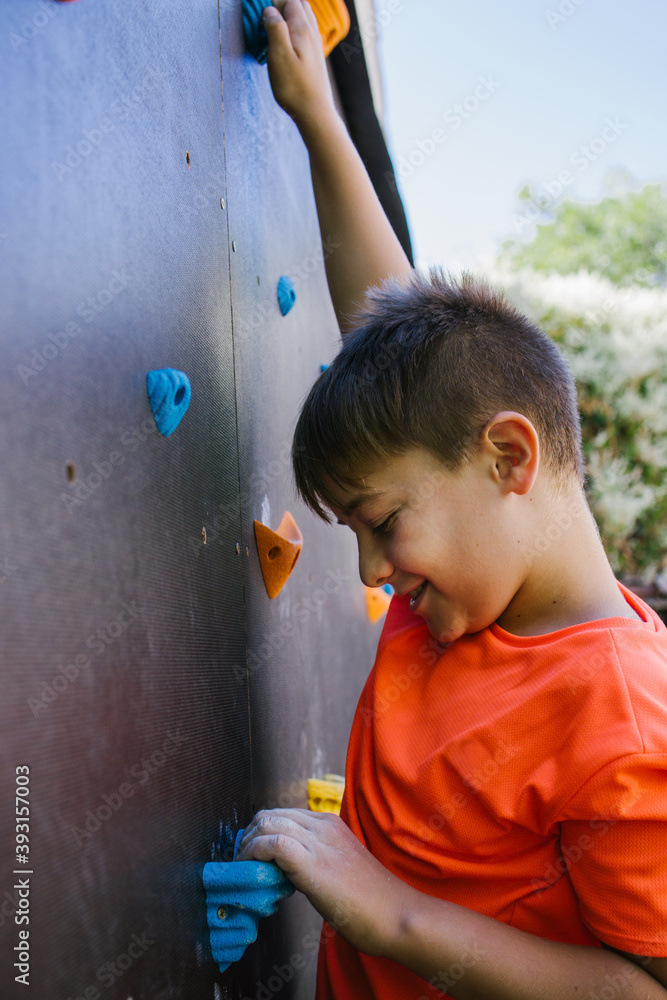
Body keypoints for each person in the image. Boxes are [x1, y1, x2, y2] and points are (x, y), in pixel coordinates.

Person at [235, 3, 667, 997]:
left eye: (382, 524)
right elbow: (387, 331)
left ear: (508, 458)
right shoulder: (468, 573)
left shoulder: (625, 717)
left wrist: (390, 911)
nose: (371, 571)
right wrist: (318, 119)